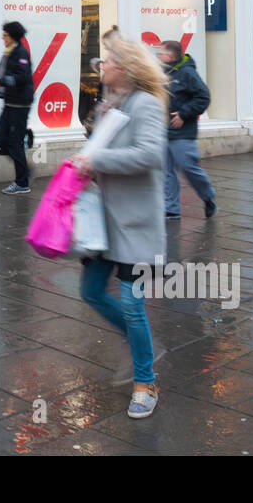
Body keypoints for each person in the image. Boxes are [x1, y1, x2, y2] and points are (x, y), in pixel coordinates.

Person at [71, 33, 168, 420]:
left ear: (125, 68)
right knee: (91, 291)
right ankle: (143, 345)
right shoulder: (110, 104)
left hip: (136, 224)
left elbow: (149, 155)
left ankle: (146, 382)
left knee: (131, 303)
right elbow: (100, 153)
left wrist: (97, 162)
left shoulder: (146, 105)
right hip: (105, 224)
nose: (102, 67)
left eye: (107, 61)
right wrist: (82, 166)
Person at [158, 40, 217, 220]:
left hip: (182, 132)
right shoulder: (163, 73)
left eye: (160, 53)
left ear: (169, 56)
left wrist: (184, 114)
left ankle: (208, 196)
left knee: (189, 168)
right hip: (164, 131)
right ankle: (171, 209)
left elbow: (204, 97)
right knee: (167, 171)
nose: (157, 56)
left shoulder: (187, 73)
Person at [0, 21, 35, 195]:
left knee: (15, 143)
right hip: (10, 103)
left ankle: (22, 182)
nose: (3, 37)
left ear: (13, 36)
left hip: (20, 104)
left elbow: (23, 76)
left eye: (5, 35)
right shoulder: (10, 51)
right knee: (1, 140)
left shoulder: (21, 52)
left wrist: (0, 82)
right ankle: (25, 171)